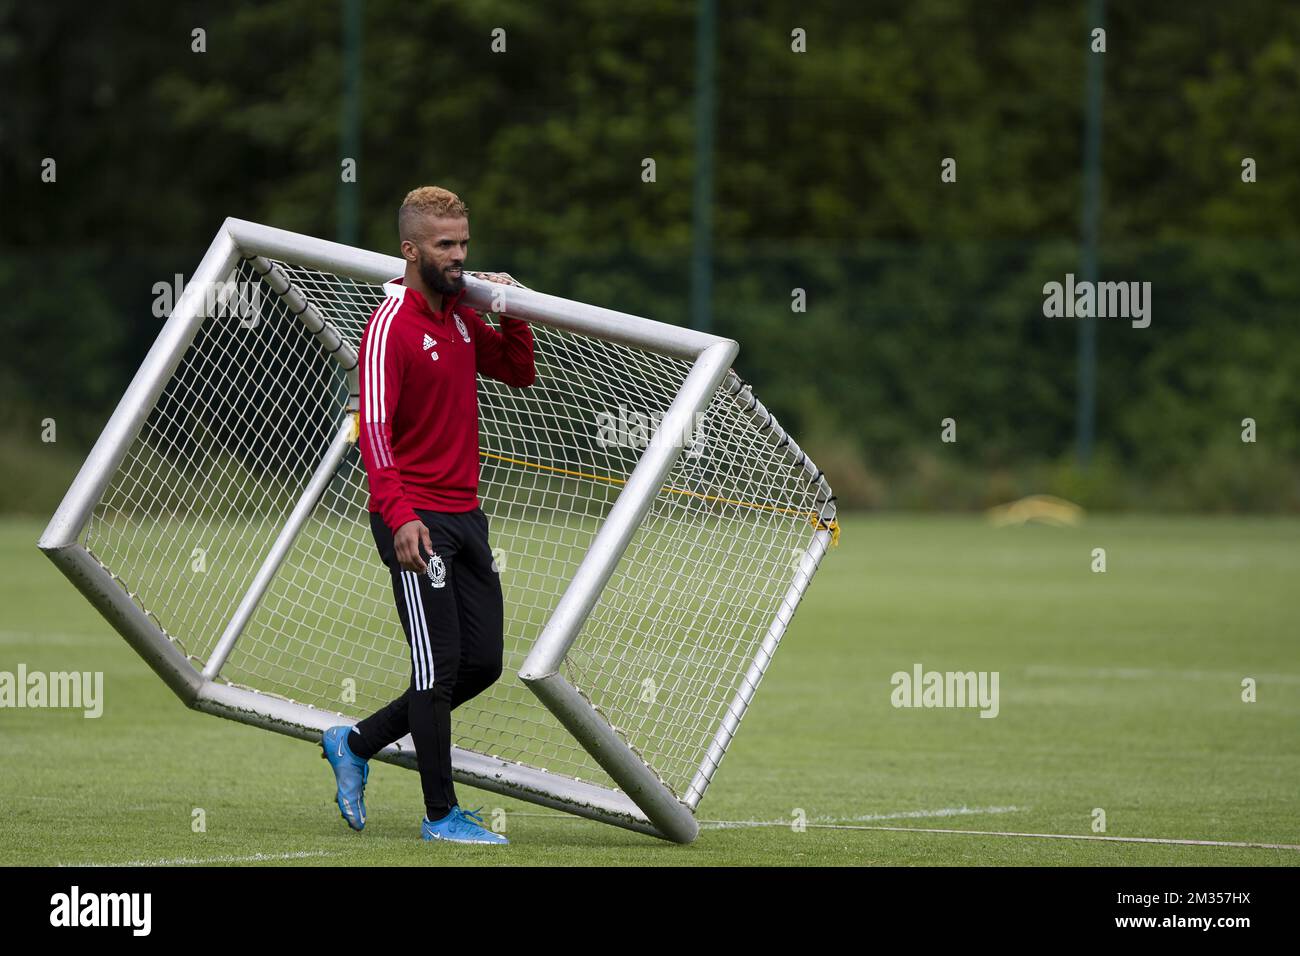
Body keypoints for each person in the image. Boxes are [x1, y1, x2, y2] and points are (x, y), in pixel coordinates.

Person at [321, 185, 535, 844]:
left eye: (464, 244)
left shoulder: (464, 315)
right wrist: (401, 514)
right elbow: (374, 432)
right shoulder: (389, 324)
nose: (459, 257)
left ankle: (355, 741)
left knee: (484, 664)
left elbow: (520, 372)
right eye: (445, 246)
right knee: (436, 668)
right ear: (411, 249)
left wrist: (513, 307)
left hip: (467, 516)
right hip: (413, 519)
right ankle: (442, 815)